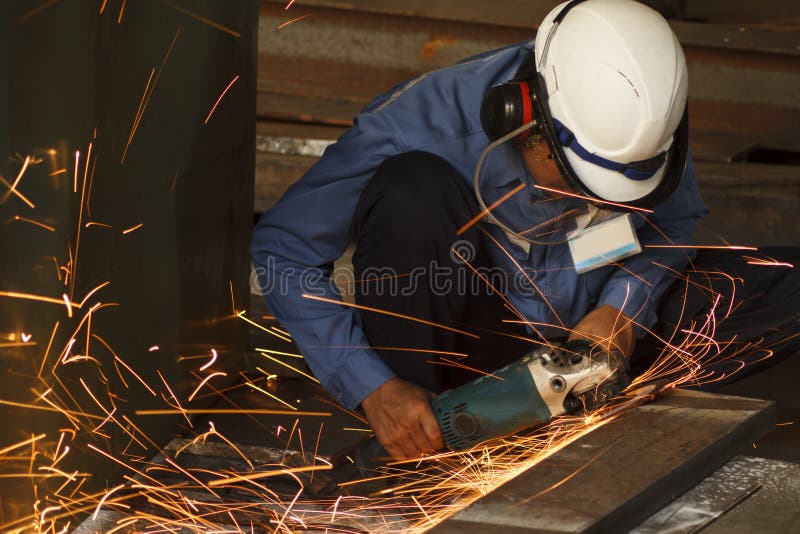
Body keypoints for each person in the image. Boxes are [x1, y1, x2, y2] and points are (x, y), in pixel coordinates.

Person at [251, 0, 800, 462]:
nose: (596, 207)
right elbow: (283, 250)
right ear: (523, 118)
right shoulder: (418, 125)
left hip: (597, 335)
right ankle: (427, 436)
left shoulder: (643, 122)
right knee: (411, 191)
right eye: (576, 185)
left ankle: (588, 403)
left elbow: (674, 222)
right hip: (470, 338)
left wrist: (621, 313)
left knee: (784, 281)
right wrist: (372, 387)